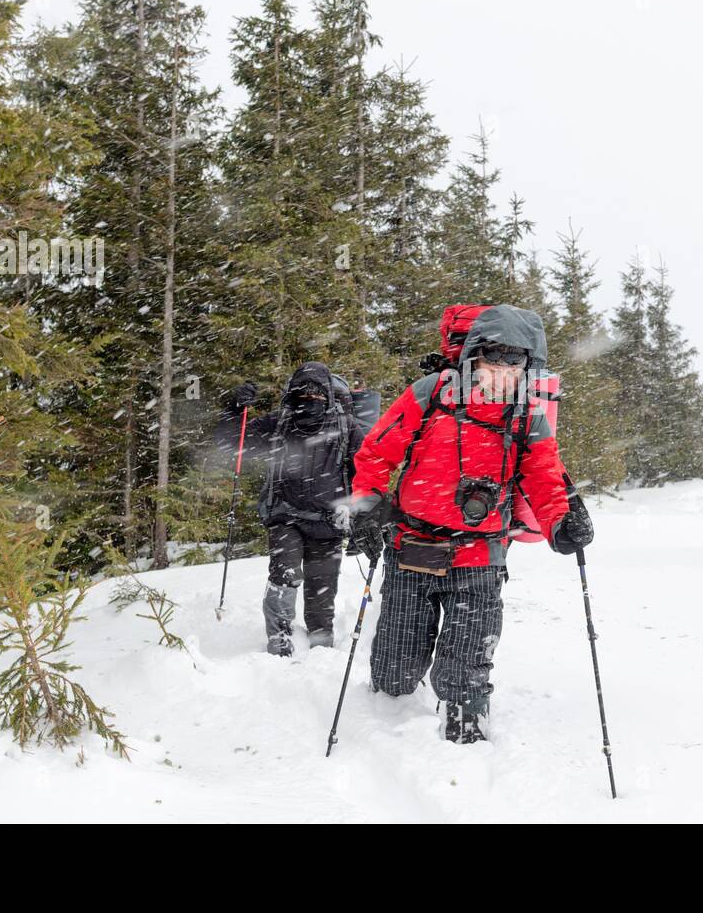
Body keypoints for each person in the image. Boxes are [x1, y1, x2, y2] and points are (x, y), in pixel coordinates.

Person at [341, 304, 594, 743]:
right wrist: (367, 503)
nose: (502, 371)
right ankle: (386, 724)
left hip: (481, 554)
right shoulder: (432, 392)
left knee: (468, 663)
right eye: (494, 359)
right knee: (396, 664)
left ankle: (466, 738)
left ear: (527, 367)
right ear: (474, 356)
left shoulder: (526, 415)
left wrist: (559, 523)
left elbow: (544, 476)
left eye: (514, 363)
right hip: (412, 547)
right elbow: (377, 451)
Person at [217, 362, 364, 656]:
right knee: (284, 574)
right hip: (286, 516)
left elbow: (366, 473)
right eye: (302, 395)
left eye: (317, 395)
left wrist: (364, 521)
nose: (309, 401)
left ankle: (322, 644)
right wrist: (233, 408)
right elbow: (231, 442)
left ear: (329, 397)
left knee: (322, 587)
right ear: (291, 397)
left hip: (328, 521)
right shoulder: (279, 424)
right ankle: (279, 638)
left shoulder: (346, 427)